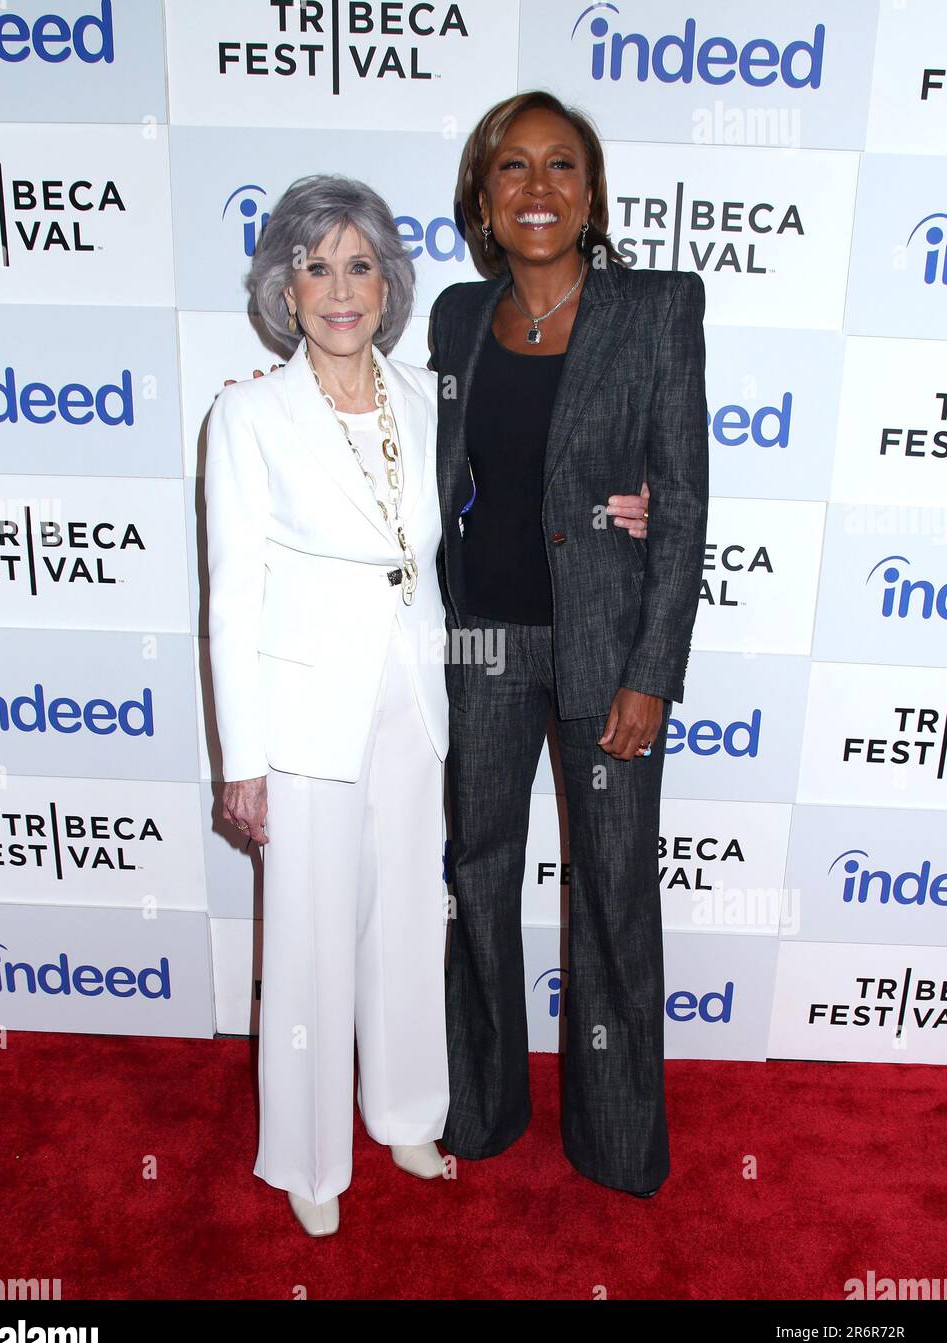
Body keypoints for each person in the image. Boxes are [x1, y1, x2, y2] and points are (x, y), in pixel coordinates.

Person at [208, 172, 654, 1238]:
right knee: (310, 940)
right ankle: (308, 1157)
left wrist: (612, 505)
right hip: (307, 713)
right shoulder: (248, 413)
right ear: (283, 291)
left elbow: (513, 483)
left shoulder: (424, 394)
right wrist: (243, 755)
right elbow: (230, 591)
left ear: (389, 283)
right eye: (315, 268)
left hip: (419, 696)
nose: (339, 288)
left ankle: (408, 1108)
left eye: (359, 264)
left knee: (414, 917)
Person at [428, 91, 709, 1196]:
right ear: (483, 199)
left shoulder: (655, 309)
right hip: (482, 642)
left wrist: (652, 670)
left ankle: (619, 1139)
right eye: (512, 168)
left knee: (611, 891)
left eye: (560, 166)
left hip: (605, 649)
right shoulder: (456, 317)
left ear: (590, 195)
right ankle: (482, 1106)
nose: (535, 188)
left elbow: (680, 501)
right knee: (477, 877)